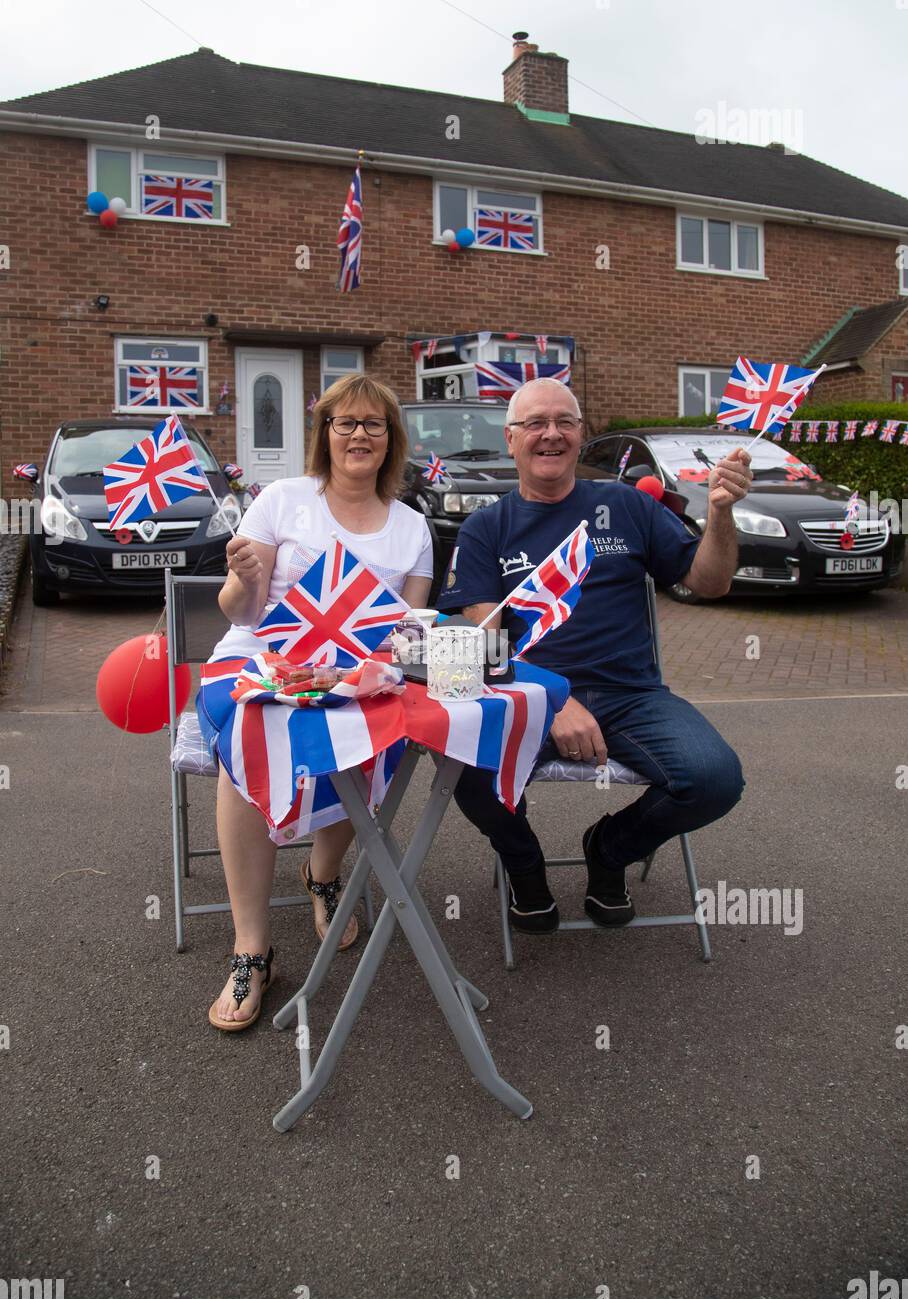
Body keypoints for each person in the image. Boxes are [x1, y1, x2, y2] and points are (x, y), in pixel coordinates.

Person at [438, 377, 750, 934]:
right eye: (535, 423)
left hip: (631, 695)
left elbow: (710, 581)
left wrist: (721, 514)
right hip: (527, 695)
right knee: (463, 771)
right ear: (511, 440)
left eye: (565, 422)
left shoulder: (626, 505)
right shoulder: (487, 528)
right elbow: (480, 640)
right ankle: (524, 866)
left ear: (582, 435)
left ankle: (608, 851)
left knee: (715, 778)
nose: (550, 434)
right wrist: (552, 699)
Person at [203, 374, 434, 1029]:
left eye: (374, 424)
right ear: (325, 434)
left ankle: (323, 874)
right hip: (259, 657)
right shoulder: (282, 499)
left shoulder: (413, 529)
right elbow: (239, 611)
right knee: (252, 725)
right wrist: (246, 580)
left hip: (355, 672)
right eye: (345, 423)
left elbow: (407, 636)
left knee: (372, 731)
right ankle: (253, 948)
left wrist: (370, 670)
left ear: (391, 440)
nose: (359, 434)